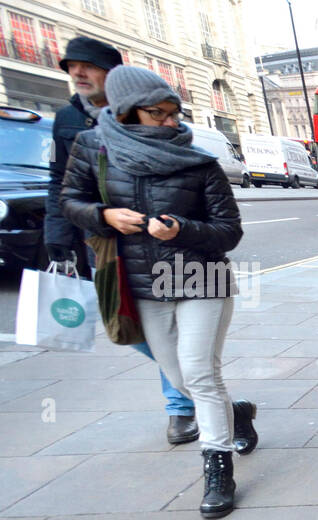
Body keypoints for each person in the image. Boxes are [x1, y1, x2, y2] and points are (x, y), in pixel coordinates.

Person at [61, 66, 257, 518]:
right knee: (182, 378)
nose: (171, 122)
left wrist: (181, 230)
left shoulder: (200, 163)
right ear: (128, 112)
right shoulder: (93, 148)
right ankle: (238, 413)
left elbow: (228, 232)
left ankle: (218, 468)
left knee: (200, 374)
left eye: (174, 113)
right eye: (158, 114)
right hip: (141, 282)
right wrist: (104, 216)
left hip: (200, 278)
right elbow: (70, 201)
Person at [46, 36, 199, 446]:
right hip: (105, 242)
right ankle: (199, 387)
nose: (78, 73)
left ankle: (182, 407)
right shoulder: (69, 120)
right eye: (71, 66)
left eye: (88, 66)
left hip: (161, 240)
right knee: (126, 327)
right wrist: (63, 234)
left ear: (113, 75)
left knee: (165, 324)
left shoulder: (151, 115)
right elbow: (62, 186)